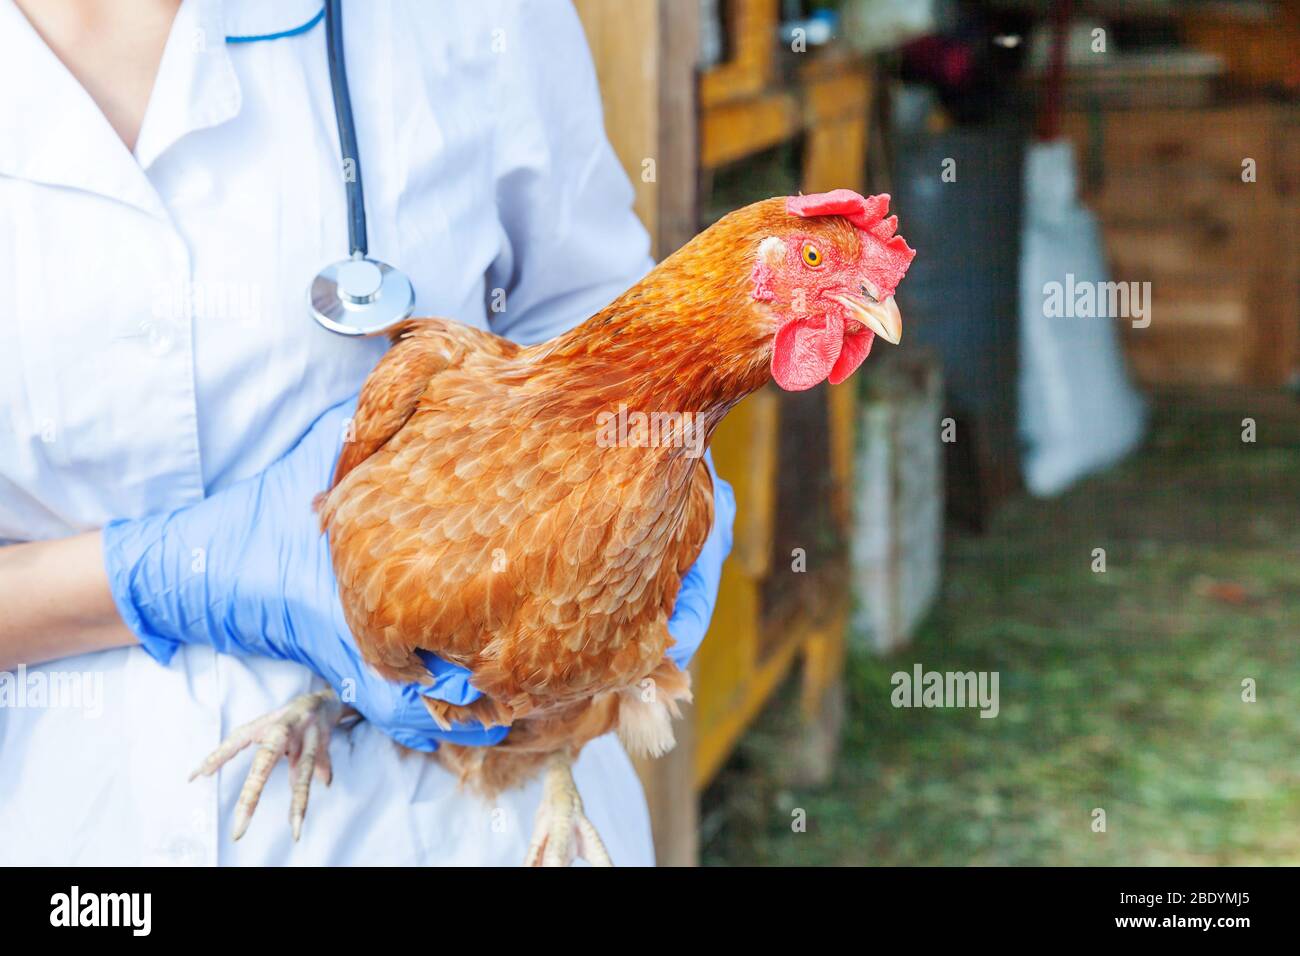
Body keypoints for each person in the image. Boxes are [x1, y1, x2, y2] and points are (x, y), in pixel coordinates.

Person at [0, 0, 733, 865]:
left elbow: (588, 317)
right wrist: (146, 579)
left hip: (464, 805)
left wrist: (651, 485)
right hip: (74, 826)